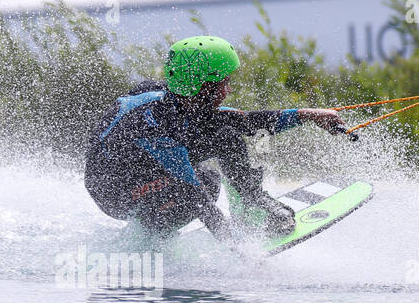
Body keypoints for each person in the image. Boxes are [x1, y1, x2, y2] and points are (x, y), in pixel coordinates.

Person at [84, 35, 346, 247]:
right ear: (201, 85)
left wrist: (308, 116)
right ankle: (152, 239)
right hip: (115, 191)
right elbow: (196, 198)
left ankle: (250, 203)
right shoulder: (155, 125)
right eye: (223, 83)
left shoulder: (181, 99)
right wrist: (240, 251)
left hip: (146, 168)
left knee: (227, 137)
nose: (228, 90)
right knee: (205, 183)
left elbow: (243, 121)